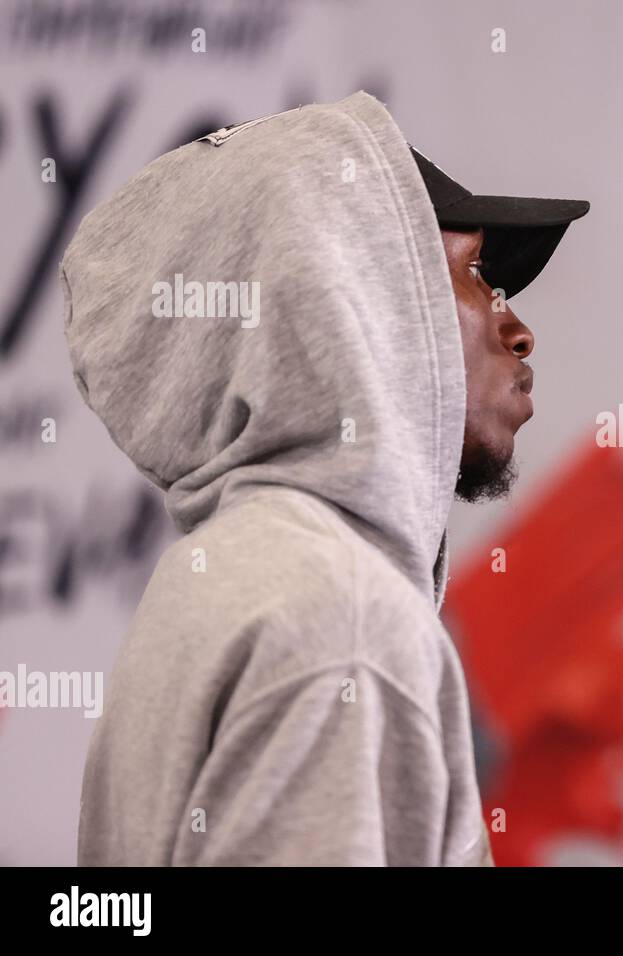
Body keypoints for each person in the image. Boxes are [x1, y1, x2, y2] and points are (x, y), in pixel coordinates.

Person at [62, 91, 588, 865]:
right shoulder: (345, 620)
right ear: (353, 299)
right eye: (476, 272)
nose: (518, 329)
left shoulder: (219, 580)